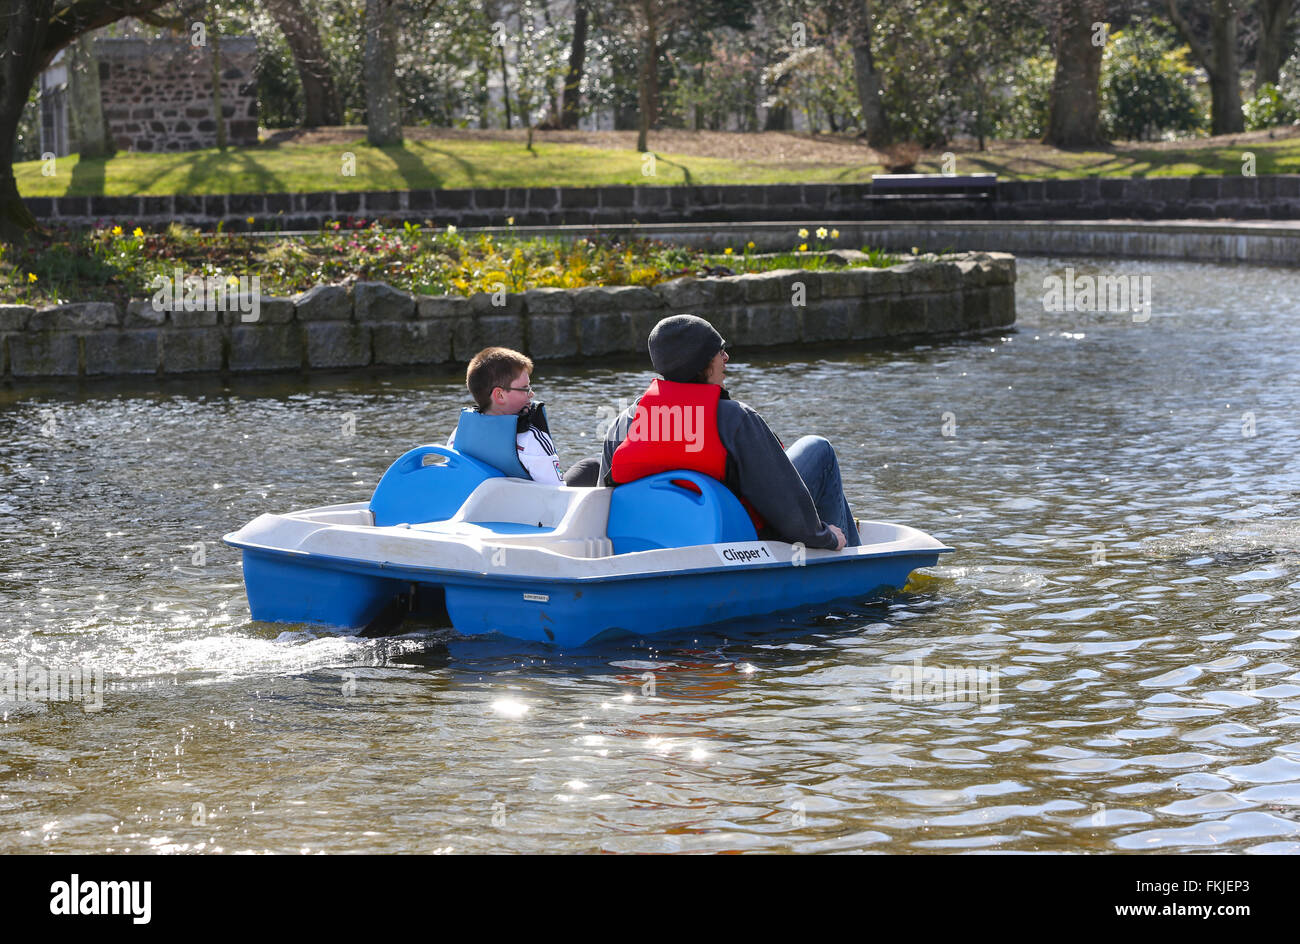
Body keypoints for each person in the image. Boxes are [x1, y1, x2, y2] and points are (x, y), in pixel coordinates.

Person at [597, 314, 860, 551]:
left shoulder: (624, 422)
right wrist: (825, 536)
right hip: (746, 543)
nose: (726, 358)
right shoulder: (736, 419)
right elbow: (784, 501)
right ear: (702, 362)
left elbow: (603, 502)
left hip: (657, 542)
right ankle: (852, 557)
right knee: (818, 448)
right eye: (719, 351)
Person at [448, 347, 564, 484]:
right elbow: (558, 491)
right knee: (590, 466)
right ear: (500, 395)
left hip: (484, 504)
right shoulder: (530, 439)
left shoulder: (459, 434)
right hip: (528, 504)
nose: (531, 394)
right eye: (525, 388)